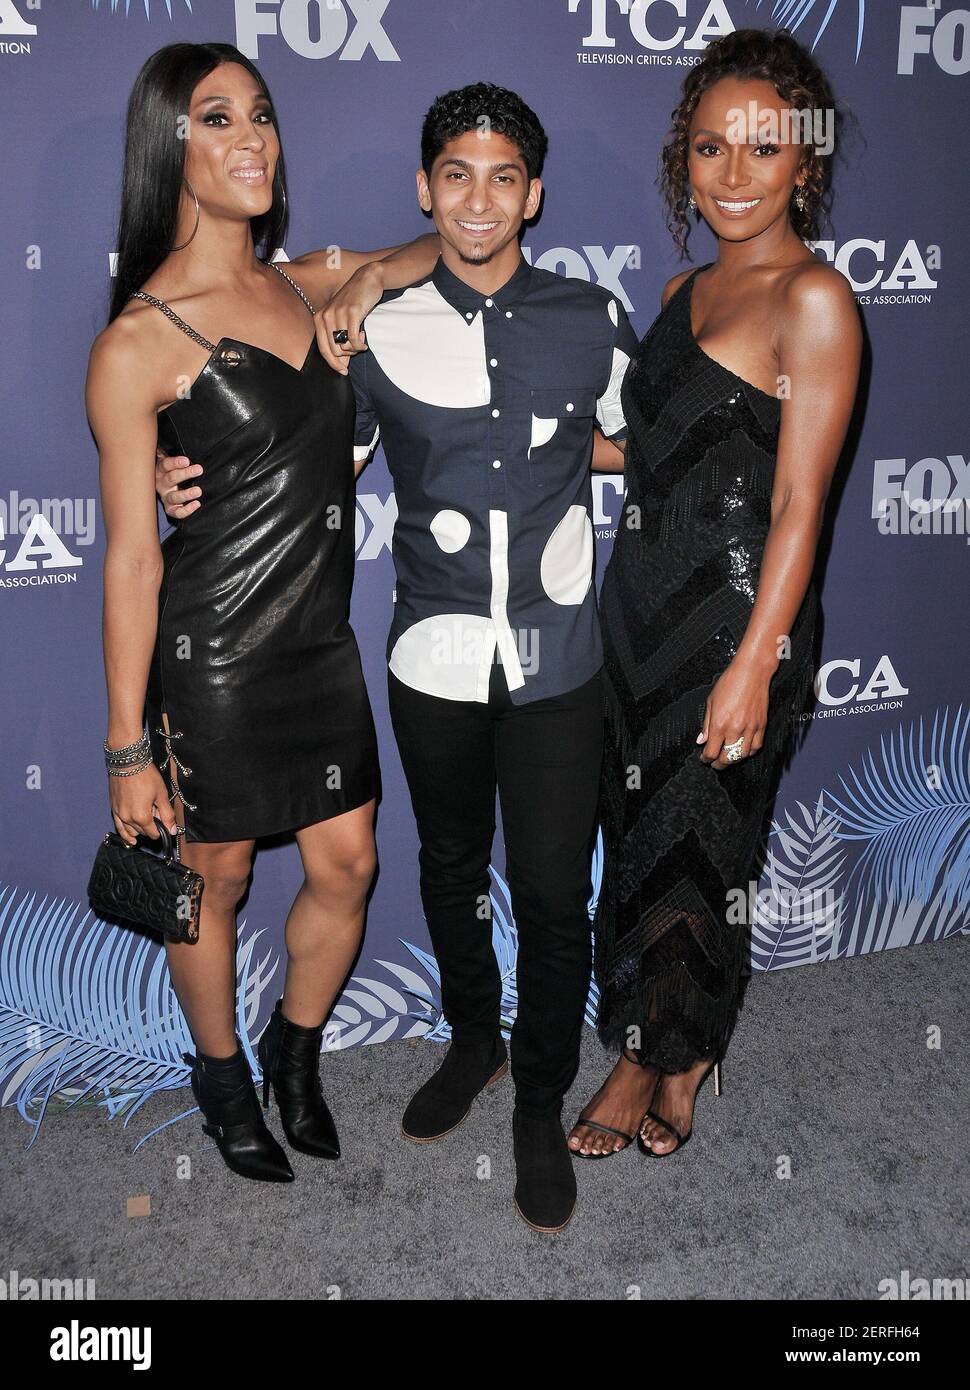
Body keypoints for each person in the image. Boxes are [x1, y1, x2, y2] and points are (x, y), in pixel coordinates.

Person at [157, 81, 639, 1232]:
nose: (480, 200)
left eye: (505, 177)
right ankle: (472, 1038)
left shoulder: (592, 315)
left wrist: (583, 456)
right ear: (425, 191)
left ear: (536, 195)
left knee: (551, 892)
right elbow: (291, 454)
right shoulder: (368, 328)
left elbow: (636, 439)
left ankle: (535, 1098)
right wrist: (160, 474)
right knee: (448, 872)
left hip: (559, 666)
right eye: (456, 177)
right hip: (428, 663)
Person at [87, 41, 439, 1183]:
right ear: (171, 147)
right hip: (215, 653)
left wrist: (371, 285)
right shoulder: (138, 338)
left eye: (263, 117)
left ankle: (297, 1054)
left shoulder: (308, 278)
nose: (252, 140)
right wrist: (126, 745)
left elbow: (453, 245)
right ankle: (224, 1076)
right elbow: (134, 563)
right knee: (217, 877)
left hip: (316, 644)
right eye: (217, 118)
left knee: (347, 866)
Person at [568, 28, 861, 1160]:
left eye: (761, 148)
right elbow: (652, 453)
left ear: (804, 163)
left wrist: (751, 663)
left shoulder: (814, 299)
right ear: (682, 159)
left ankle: (651, 1059)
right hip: (637, 613)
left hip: (737, 622)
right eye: (708, 148)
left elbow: (800, 506)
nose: (732, 174)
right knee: (638, 843)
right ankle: (687, 1047)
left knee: (698, 850)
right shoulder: (687, 285)